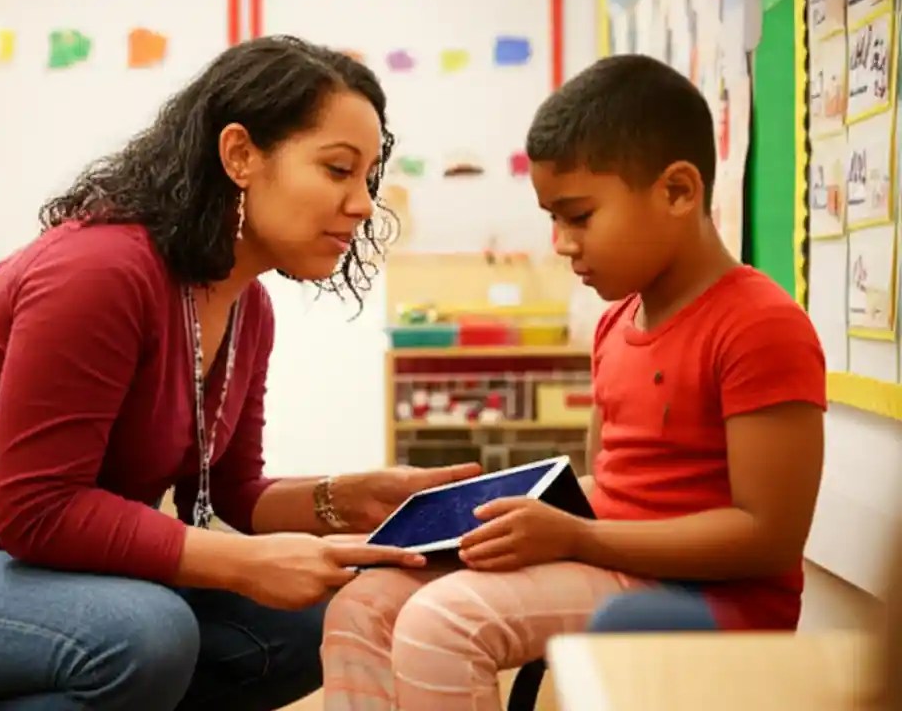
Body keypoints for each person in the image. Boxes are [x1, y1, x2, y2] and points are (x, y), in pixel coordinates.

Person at [0, 35, 480, 711]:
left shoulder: (247, 307)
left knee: (310, 623)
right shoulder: (101, 270)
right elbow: (37, 511)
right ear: (240, 154)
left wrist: (349, 497)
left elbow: (233, 491)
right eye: (336, 169)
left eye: (367, 178)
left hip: (31, 581)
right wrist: (249, 565)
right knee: (145, 632)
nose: (362, 204)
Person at [321, 54, 826, 710]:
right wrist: (491, 519)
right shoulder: (616, 323)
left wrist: (576, 536)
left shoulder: (759, 326)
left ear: (678, 192)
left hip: (710, 598)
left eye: (578, 216)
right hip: (614, 562)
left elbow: (769, 538)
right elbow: (611, 485)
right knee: (364, 604)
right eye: (551, 217)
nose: (560, 243)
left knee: (441, 622)